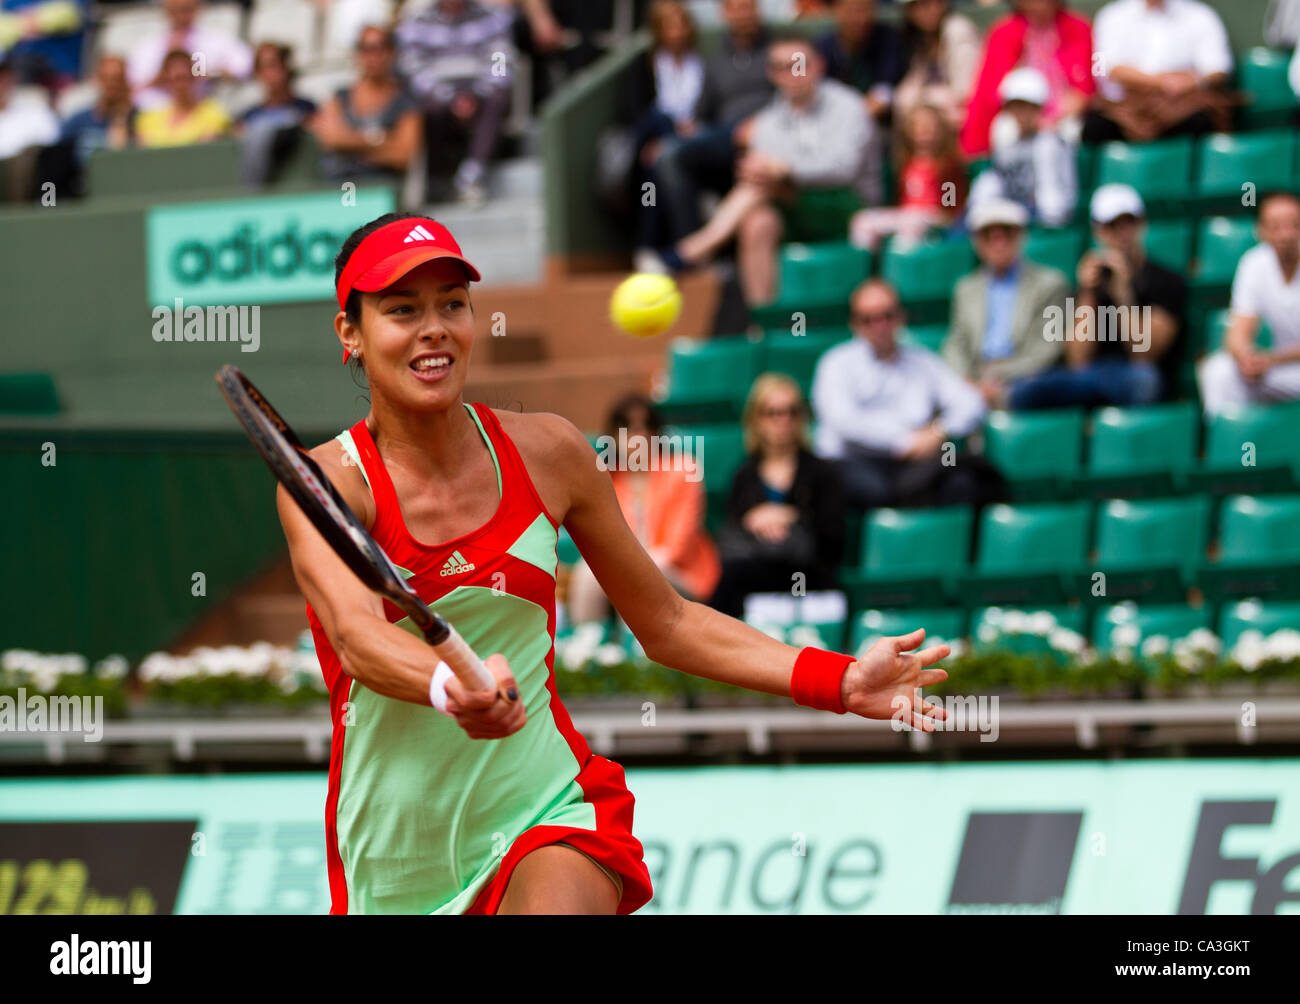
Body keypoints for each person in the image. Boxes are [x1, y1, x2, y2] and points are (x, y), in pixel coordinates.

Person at [283, 211, 952, 914]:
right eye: (401, 310)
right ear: (349, 334)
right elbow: (357, 638)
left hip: (541, 808)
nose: (435, 328)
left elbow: (665, 619)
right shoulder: (326, 483)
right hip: (392, 864)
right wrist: (456, 686)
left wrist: (837, 679)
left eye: (453, 303)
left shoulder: (550, 452)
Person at [654, 35, 881, 307]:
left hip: (850, 207)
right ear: (772, 74)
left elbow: (843, 170)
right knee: (757, 222)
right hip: (793, 206)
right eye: (784, 67)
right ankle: (764, 326)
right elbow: (766, 171)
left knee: (764, 184)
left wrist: (786, 169)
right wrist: (767, 171)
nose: (794, 73)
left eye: (801, 64)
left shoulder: (849, 105)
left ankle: (698, 247)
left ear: (819, 65)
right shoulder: (767, 121)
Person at [813, 278, 990, 510]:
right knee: (874, 491)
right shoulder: (836, 363)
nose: (880, 325)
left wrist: (940, 431)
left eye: (887, 315)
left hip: (912, 465)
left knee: (962, 482)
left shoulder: (923, 361)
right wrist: (905, 441)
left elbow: (970, 401)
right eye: (868, 319)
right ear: (855, 324)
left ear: (900, 317)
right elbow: (844, 422)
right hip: (852, 460)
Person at [1009, 184, 1183, 409]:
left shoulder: (1167, 281)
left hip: (1136, 375)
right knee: (1025, 392)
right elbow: (1077, 361)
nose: (1121, 234)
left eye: (1128, 223)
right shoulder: (1091, 283)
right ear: (1098, 231)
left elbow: (1145, 354)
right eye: (1111, 225)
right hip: (1092, 375)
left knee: (1143, 380)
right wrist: (1088, 294)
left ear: (1141, 224)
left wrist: (1123, 295)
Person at [566, 393, 719, 628]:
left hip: (680, 574)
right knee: (586, 574)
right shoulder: (606, 480)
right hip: (625, 571)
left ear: (657, 432)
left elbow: (676, 548)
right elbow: (601, 543)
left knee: (632, 575)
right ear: (613, 435)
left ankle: (640, 659)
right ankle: (588, 653)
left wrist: (628, 565)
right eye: (627, 426)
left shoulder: (682, 470)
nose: (638, 435)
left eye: (646, 425)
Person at [708, 374, 846, 618]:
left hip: (807, 574)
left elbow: (833, 538)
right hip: (755, 573)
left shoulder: (822, 472)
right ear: (756, 419)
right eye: (773, 412)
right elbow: (730, 536)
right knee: (731, 576)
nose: (783, 420)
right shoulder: (744, 475)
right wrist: (753, 521)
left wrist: (791, 517)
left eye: (791, 411)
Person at [649, 0, 774, 246]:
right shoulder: (714, 62)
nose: (742, 14)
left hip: (769, 131)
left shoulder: (782, 49)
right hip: (722, 136)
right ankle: (678, 247)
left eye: (747, 7)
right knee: (665, 157)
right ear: (724, 13)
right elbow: (702, 113)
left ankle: (689, 250)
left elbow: (799, 81)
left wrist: (764, 122)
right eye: (735, 8)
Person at [943, 197, 1069, 408]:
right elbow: (957, 342)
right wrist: (965, 379)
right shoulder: (965, 289)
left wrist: (996, 376)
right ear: (977, 242)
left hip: (1024, 380)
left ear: (1020, 236)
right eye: (989, 237)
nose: (998, 244)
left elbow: (1047, 349)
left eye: (1006, 235)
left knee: (1033, 390)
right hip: (976, 380)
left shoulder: (1050, 284)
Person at [396, 0, 515, 204]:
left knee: (497, 99)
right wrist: (449, 97)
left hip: (481, 93)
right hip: (437, 96)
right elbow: (412, 68)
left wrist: (477, 94)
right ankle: (437, 182)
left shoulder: (492, 17)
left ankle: (471, 177)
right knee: (428, 109)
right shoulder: (418, 21)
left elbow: (501, 61)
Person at [1198, 192, 1300, 415]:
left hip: (1282, 363)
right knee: (1219, 371)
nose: (1286, 234)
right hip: (1284, 370)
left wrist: (1272, 358)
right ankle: (1228, 444)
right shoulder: (1253, 263)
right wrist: (1247, 358)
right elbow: (1238, 332)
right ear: (1261, 231)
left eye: (1294, 225)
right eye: (1276, 226)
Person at [617, 0, 705, 252]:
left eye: (681, 24)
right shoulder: (643, 65)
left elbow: (707, 107)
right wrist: (659, 138)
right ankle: (661, 246)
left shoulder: (701, 64)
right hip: (648, 141)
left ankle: (650, 245)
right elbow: (633, 112)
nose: (676, 31)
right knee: (659, 121)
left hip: (687, 143)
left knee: (655, 173)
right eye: (669, 25)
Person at [1085, 0, 1233, 143]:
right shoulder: (1111, 15)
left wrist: (1192, 81)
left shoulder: (1201, 15)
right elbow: (1108, 68)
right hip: (1125, 107)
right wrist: (1162, 82)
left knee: (1202, 122)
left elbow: (1218, 68)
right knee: (1095, 128)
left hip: (1182, 105)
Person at [960, 0, 1095, 157]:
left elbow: (1084, 88)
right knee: (1005, 131)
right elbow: (990, 92)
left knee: (1070, 133)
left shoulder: (1078, 28)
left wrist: (1054, 119)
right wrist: (1027, 117)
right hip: (1018, 114)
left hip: (1064, 115)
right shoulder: (1003, 32)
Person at [967, 67, 1077, 228]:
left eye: (1028, 106)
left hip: (1040, 219)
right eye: (1016, 106)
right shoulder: (1007, 146)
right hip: (1012, 212)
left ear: (1039, 108)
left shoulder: (1050, 144)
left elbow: (1053, 204)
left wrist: (1049, 221)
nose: (1022, 113)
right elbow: (992, 186)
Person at [849, 102, 966, 252]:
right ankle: (867, 268)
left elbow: (950, 208)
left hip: (931, 217)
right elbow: (896, 200)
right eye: (918, 126)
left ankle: (901, 269)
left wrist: (941, 218)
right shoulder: (903, 164)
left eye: (929, 127)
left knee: (910, 226)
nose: (924, 131)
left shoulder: (948, 166)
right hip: (906, 214)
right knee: (863, 221)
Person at [311, 25, 422, 183]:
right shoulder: (339, 96)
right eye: (365, 49)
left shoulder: (406, 100)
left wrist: (349, 145)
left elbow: (404, 155)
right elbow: (331, 138)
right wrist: (379, 139)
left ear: (392, 53)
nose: (372, 57)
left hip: (382, 191)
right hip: (338, 190)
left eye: (379, 49)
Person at [127, 0, 252, 110]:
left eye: (186, 8)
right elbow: (133, 86)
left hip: (201, 113)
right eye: (175, 9)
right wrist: (160, 78)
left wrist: (210, 75)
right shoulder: (147, 47)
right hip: (154, 115)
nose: (181, 15)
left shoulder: (216, 41)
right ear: (166, 10)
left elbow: (243, 66)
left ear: (197, 8)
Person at [893, 0, 982, 131]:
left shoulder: (957, 30)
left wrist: (924, 100)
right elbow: (906, 94)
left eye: (931, 2)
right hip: (933, 115)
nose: (926, 10)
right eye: (916, 6)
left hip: (963, 117)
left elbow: (965, 93)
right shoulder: (918, 37)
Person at [236, 42, 317, 187]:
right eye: (263, 67)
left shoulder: (308, 108)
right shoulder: (248, 116)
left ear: (286, 68)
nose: (270, 73)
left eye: (274, 65)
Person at [815, 0, 905, 122]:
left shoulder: (888, 39)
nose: (860, 18)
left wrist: (856, 116)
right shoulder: (823, 46)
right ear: (836, 11)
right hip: (833, 117)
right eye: (852, 11)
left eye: (865, 10)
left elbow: (885, 91)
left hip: (876, 120)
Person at [134, 48, 232, 148]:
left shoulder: (214, 112)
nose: (181, 85)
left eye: (185, 77)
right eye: (176, 78)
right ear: (165, 80)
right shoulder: (149, 118)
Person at [0, 51, 58, 200]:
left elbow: (50, 168)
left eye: (2, 74)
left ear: (11, 76)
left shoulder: (37, 113)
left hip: (30, 198)